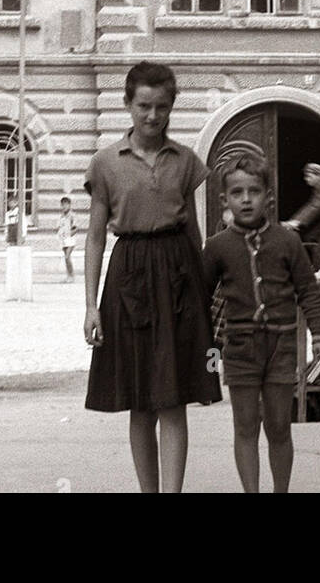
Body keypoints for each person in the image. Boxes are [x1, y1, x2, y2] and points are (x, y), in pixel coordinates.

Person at [83, 61, 221, 493]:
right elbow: (94, 238)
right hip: (128, 278)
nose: (152, 115)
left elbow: (195, 233)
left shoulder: (185, 160)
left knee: (174, 399)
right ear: (128, 104)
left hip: (178, 274)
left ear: (171, 106)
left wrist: (202, 295)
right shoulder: (106, 163)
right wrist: (90, 307)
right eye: (143, 105)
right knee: (139, 401)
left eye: (162, 106)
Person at [203, 152, 320, 493]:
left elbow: (308, 290)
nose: (246, 199)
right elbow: (200, 298)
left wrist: (319, 334)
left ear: (268, 197)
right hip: (240, 348)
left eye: (254, 191)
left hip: (281, 347)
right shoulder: (216, 247)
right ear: (224, 200)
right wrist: (205, 349)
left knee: (279, 426)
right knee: (245, 426)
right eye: (237, 192)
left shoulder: (288, 241)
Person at [57, 196, 77, 281]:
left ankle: (72, 275)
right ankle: (69, 275)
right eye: (62, 205)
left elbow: (76, 228)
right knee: (66, 258)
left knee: (67, 256)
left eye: (66, 204)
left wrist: (70, 234)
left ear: (69, 205)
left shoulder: (72, 215)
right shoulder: (62, 216)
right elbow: (59, 226)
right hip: (63, 239)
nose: (64, 207)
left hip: (70, 239)